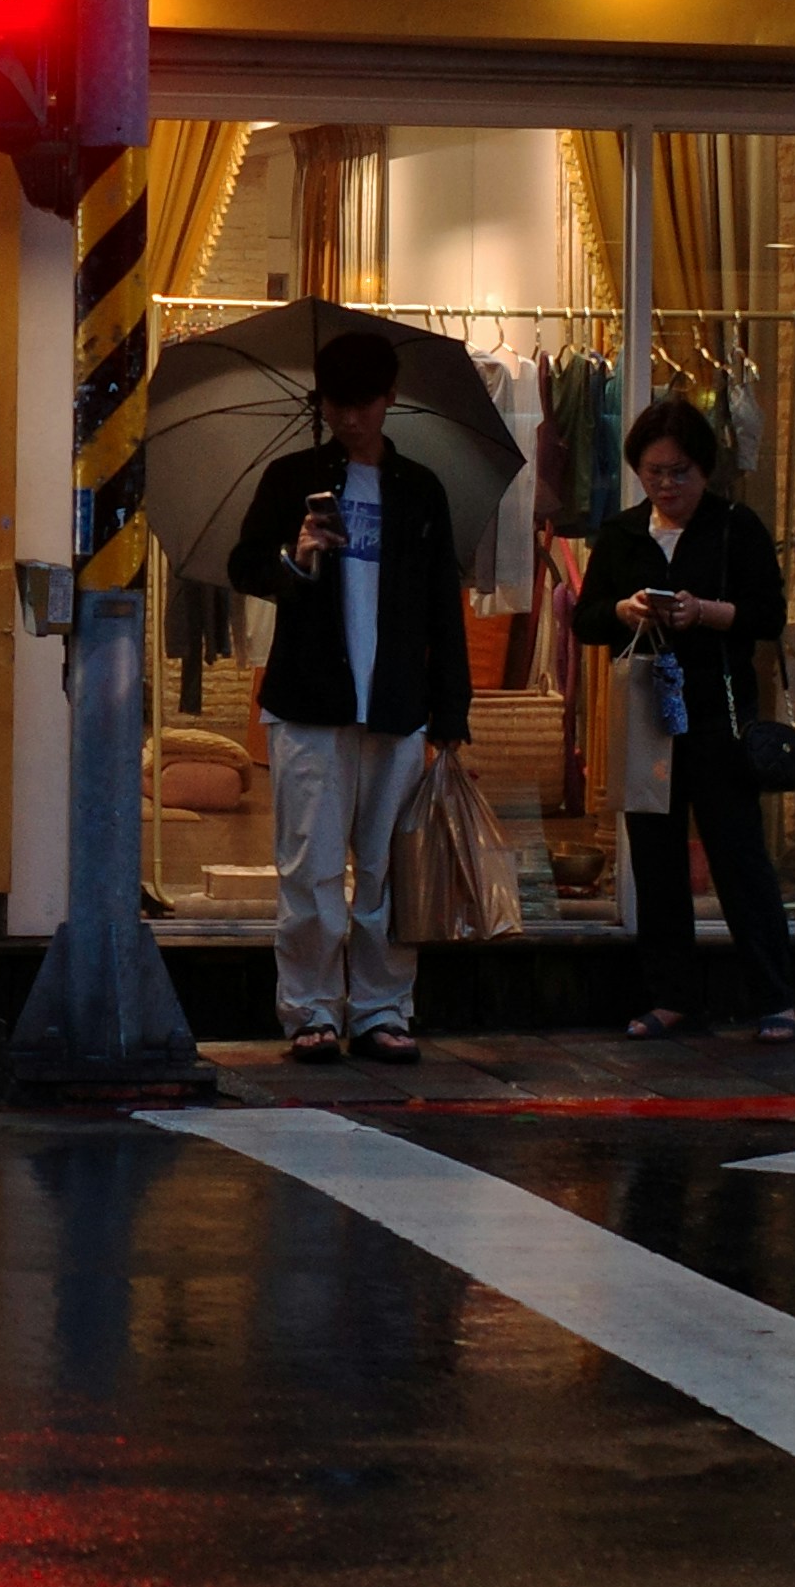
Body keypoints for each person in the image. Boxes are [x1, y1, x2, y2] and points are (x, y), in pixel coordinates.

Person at [225, 325, 474, 1065]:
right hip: (309, 700)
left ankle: (382, 1007)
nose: (350, 418)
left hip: (395, 703)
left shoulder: (420, 490)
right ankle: (309, 1009)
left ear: (389, 399)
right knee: (310, 864)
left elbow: (441, 607)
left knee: (388, 866)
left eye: (363, 403)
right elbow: (243, 565)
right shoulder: (292, 478)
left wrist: (451, 712)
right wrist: (293, 557)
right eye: (336, 403)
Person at [572, 393, 795, 1039]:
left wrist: (705, 612)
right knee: (655, 856)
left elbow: (768, 615)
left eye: (679, 473)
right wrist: (625, 609)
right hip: (647, 709)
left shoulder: (735, 527)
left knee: (738, 855)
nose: (666, 486)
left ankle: (773, 996)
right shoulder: (620, 534)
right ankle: (672, 995)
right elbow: (586, 618)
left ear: (705, 470)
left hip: (718, 710)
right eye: (653, 473)